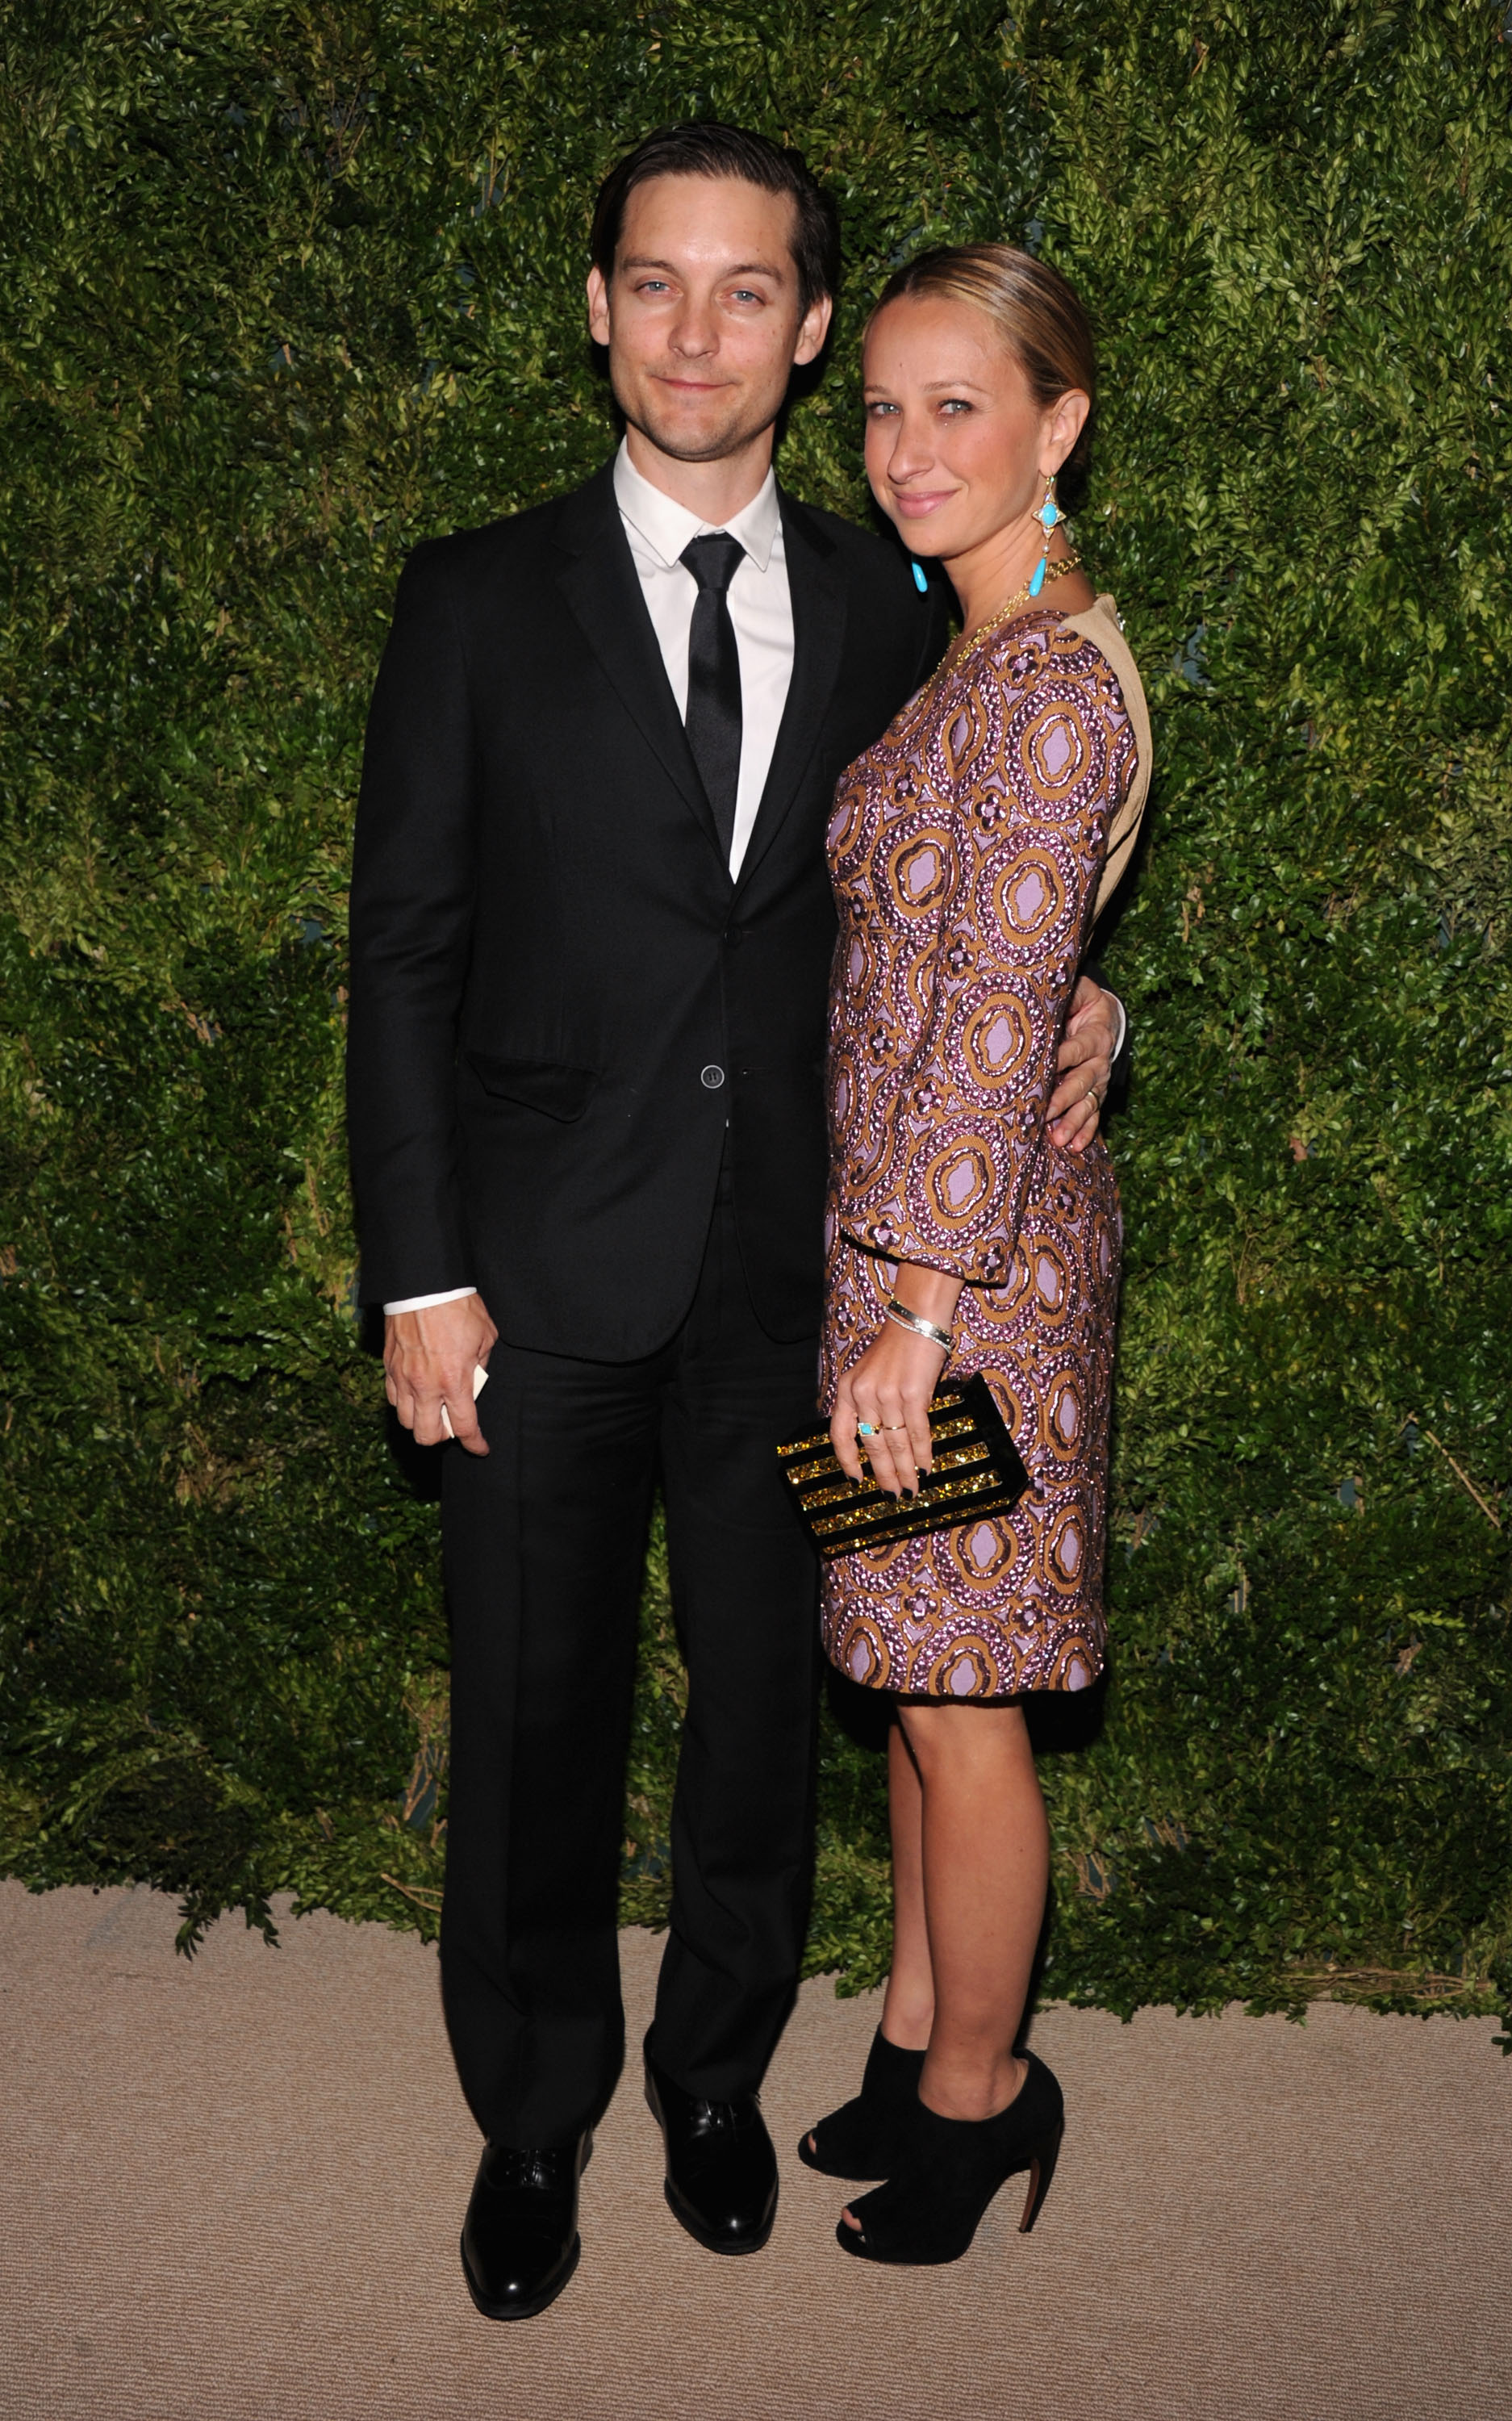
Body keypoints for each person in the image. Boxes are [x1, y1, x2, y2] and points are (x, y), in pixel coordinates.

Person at [346, 129, 1126, 2321]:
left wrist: (1093, 992)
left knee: (764, 1718)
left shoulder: (909, 597)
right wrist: (418, 1268)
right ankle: (527, 2118)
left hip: (812, 1285)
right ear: (597, 306)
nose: (700, 329)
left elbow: (983, 879)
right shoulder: (471, 598)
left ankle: (714, 2080)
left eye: (749, 289)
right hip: (531, 1271)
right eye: (655, 283)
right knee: (528, 1709)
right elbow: (402, 951)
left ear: (803, 322)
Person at [800, 244, 1151, 2265]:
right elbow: (1008, 969)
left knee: (963, 1703)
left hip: (969, 1282)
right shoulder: (983, 641)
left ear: (1058, 422)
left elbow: (1009, 1009)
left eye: (959, 407)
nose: (909, 449)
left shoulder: (1038, 682)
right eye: (887, 407)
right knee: (918, 1677)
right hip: (912, 1252)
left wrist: (919, 1316)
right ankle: (917, 2017)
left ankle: (981, 2099)